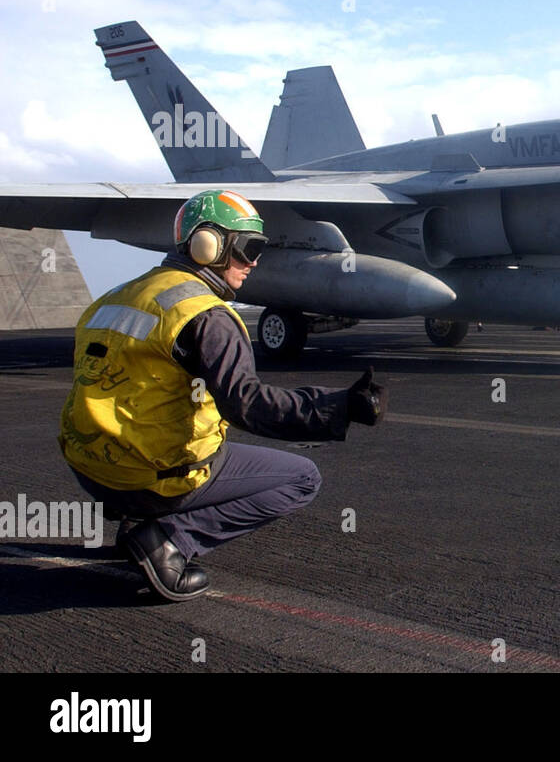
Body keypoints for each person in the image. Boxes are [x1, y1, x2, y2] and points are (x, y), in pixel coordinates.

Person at [58, 189, 388, 602]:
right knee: (302, 477)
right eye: (248, 248)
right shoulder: (205, 314)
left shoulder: (115, 297)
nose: (254, 262)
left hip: (90, 469)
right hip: (150, 476)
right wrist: (338, 406)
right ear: (208, 246)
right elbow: (247, 403)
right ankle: (169, 541)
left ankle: (136, 525)